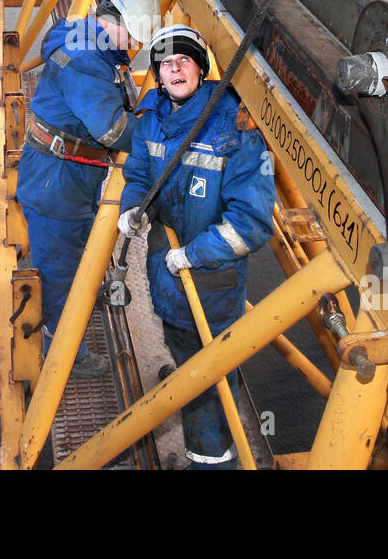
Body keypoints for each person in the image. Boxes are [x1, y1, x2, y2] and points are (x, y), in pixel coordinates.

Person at [117, 24, 274, 467]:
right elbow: (140, 176)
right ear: (159, 75)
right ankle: (185, 372)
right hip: (166, 278)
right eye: (165, 62)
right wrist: (135, 209)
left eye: (184, 58)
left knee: (205, 382)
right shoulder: (151, 117)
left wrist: (192, 255)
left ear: (202, 69)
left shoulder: (235, 126)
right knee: (184, 348)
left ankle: (211, 460)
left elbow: (251, 223)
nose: (174, 67)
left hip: (210, 287)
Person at [17, 0, 161, 377]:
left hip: (67, 174)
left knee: (73, 249)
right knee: (59, 269)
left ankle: (74, 306)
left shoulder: (83, 33)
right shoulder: (84, 60)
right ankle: (63, 351)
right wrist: (163, 136)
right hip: (56, 183)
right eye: (131, 35)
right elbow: (111, 131)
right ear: (111, 19)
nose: (133, 46)